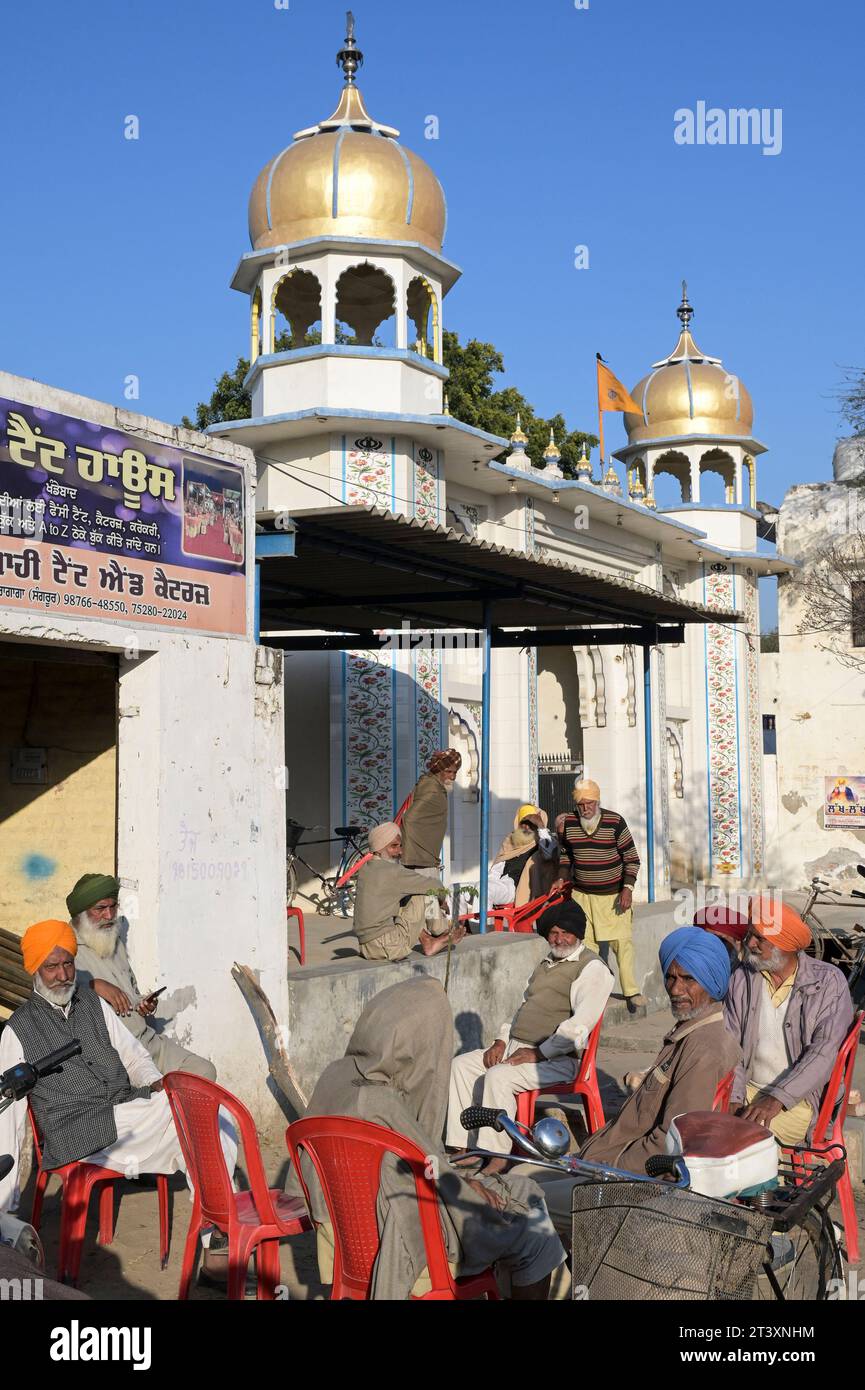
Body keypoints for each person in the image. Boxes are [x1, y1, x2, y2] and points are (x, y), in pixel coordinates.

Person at [287, 977, 566, 1299]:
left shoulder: (333, 1077)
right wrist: (463, 1186)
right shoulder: (380, 1103)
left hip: (342, 1238)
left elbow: (414, 1162)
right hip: (397, 1236)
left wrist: (454, 1179)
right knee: (530, 1218)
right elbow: (428, 1168)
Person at [518, 928, 741, 1236]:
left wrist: (601, 1165)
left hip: (629, 1186)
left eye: (689, 979)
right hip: (612, 1165)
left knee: (517, 1201)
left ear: (712, 982)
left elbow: (673, 1139)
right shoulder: (692, 1034)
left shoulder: (702, 1047)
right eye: (671, 978)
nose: (677, 989)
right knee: (517, 1177)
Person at [446, 898, 613, 1167]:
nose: (558, 939)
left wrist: (538, 1053)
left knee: (498, 1076)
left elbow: (578, 1028)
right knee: (461, 1066)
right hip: (517, 1048)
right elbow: (521, 1008)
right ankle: (463, 1146)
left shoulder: (592, 968)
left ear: (577, 934)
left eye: (564, 933)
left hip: (558, 1061)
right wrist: (500, 1041)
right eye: (553, 933)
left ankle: (498, 1155)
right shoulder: (546, 963)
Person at [724, 901, 854, 1145]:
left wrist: (777, 1098)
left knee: (748, 1141)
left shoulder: (828, 982)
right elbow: (730, 1044)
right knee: (698, 1124)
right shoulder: (742, 977)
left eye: (758, 938)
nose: (749, 944)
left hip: (802, 1100)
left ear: (784, 945)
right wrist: (734, 1098)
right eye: (750, 935)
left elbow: (824, 1053)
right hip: (749, 1088)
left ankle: (774, 1183)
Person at [66, 872, 216, 1080]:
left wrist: (143, 1005)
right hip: (117, 1055)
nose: (109, 916)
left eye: (113, 907)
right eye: (100, 908)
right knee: (161, 1096)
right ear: (81, 913)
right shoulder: (65, 950)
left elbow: (131, 994)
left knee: (203, 1072)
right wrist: (93, 986)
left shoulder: (111, 939)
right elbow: (55, 1000)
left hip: (148, 1042)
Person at [555, 777, 644, 1014]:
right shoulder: (570, 823)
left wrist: (628, 888)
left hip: (614, 896)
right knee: (589, 946)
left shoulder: (615, 822)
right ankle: (594, 991)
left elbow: (632, 859)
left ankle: (631, 992)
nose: (586, 809)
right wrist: (561, 877)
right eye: (581, 805)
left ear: (598, 801)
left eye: (590, 804)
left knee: (622, 943)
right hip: (583, 896)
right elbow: (566, 856)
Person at [352, 822, 464, 962]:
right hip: (389, 946)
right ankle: (440, 932)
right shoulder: (393, 872)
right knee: (426, 893)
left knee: (407, 896)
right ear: (379, 848)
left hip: (366, 947)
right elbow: (436, 886)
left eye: (400, 846)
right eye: (393, 846)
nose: (400, 852)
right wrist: (442, 901)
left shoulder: (365, 869)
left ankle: (429, 938)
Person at [399, 749, 462, 875]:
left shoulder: (432, 783)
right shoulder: (433, 789)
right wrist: (417, 850)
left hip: (422, 858)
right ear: (439, 770)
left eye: (455, 772)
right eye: (449, 772)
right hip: (420, 862)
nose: (453, 777)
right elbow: (410, 819)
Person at [488, 804, 559, 909]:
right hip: (501, 884)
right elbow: (496, 870)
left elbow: (549, 854)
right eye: (524, 823)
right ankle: (458, 925)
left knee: (486, 890)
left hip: (518, 888)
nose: (526, 827)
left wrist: (540, 825)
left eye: (531, 823)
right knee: (458, 890)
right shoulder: (510, 841)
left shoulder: (543, 842)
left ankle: (481, 924)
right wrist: (488, 882)